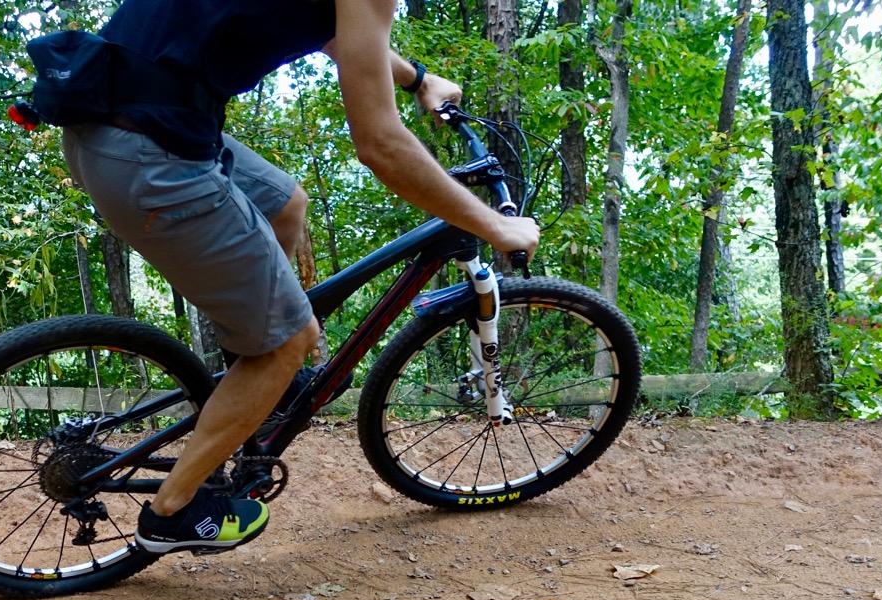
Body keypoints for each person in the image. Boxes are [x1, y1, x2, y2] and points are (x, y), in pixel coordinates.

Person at [59, 0, 540, 555]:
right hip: (148, 156)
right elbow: (380, 145)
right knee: (292, 340)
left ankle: (256, 365)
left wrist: (420, 79)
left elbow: (334, 34)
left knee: (286, 204)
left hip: (118, 126)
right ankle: (175, 511)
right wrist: (490, 225)